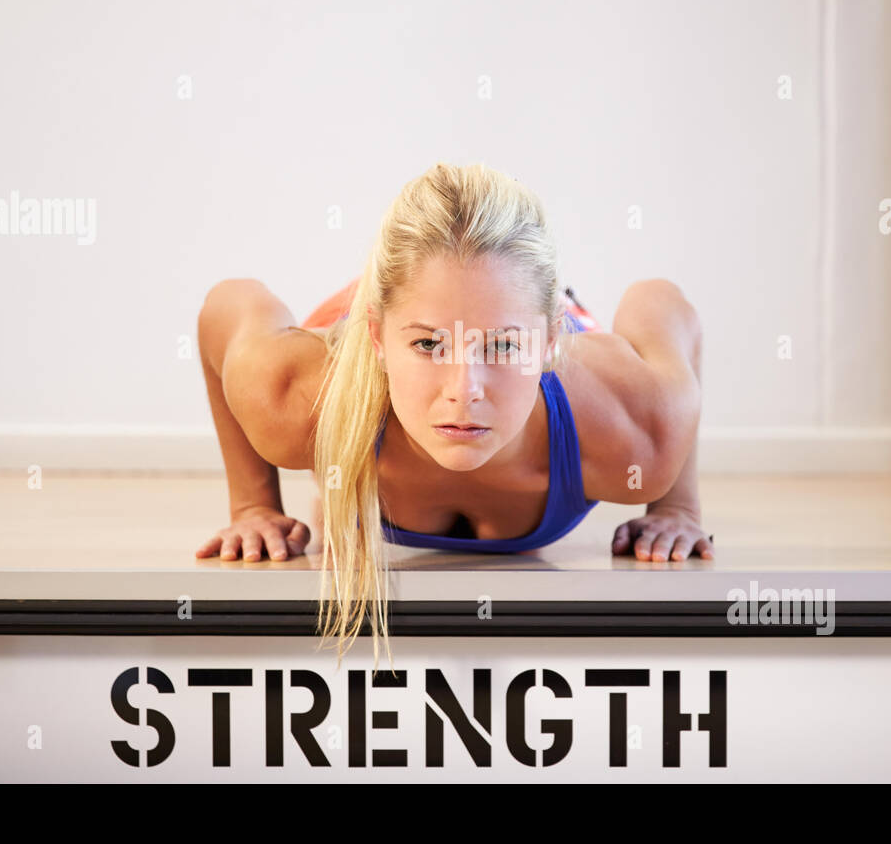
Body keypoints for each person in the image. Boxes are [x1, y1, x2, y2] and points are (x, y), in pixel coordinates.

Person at [196, 163, 712, 665]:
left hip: (509, 308)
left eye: (503, 347)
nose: (464, 391)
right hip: (390, 308)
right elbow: (226, 304)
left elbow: (660, 300)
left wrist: (676, 508)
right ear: (375, 336)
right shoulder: (298, 393)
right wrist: (253, 506)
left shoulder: (638, 429)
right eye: (429, 345)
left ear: (551, 342)